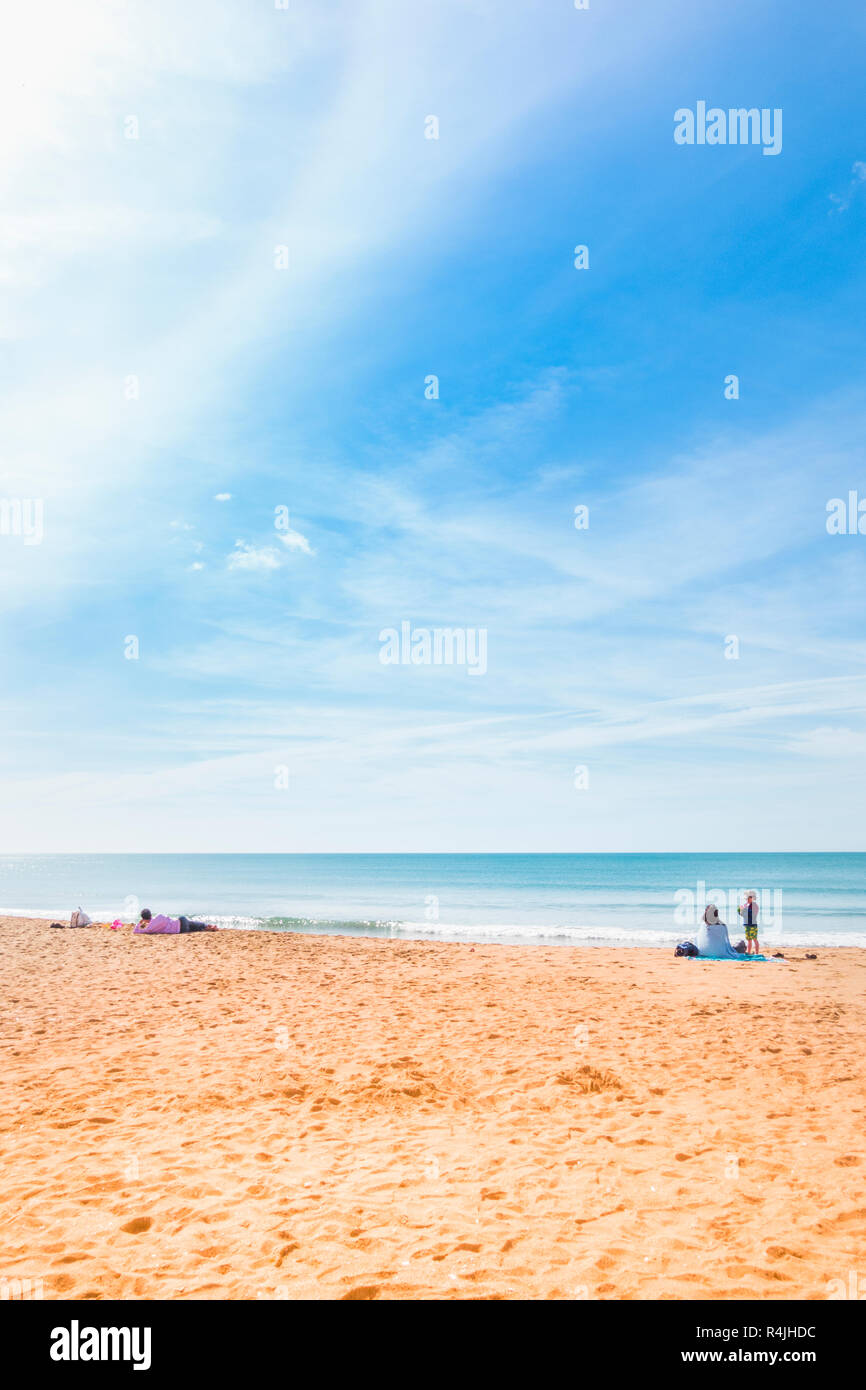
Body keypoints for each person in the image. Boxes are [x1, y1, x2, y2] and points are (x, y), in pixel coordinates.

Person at [134, 909, 218, 934]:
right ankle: (207, 926)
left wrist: (140, 923)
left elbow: (135, 931)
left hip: (181, 931)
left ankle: (205, 928)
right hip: (180, 922)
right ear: (150, 914)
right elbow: (167, 918)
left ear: (143, 918)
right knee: (193, 923)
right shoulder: (159, 917)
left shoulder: (149, 929)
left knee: (193, 929)